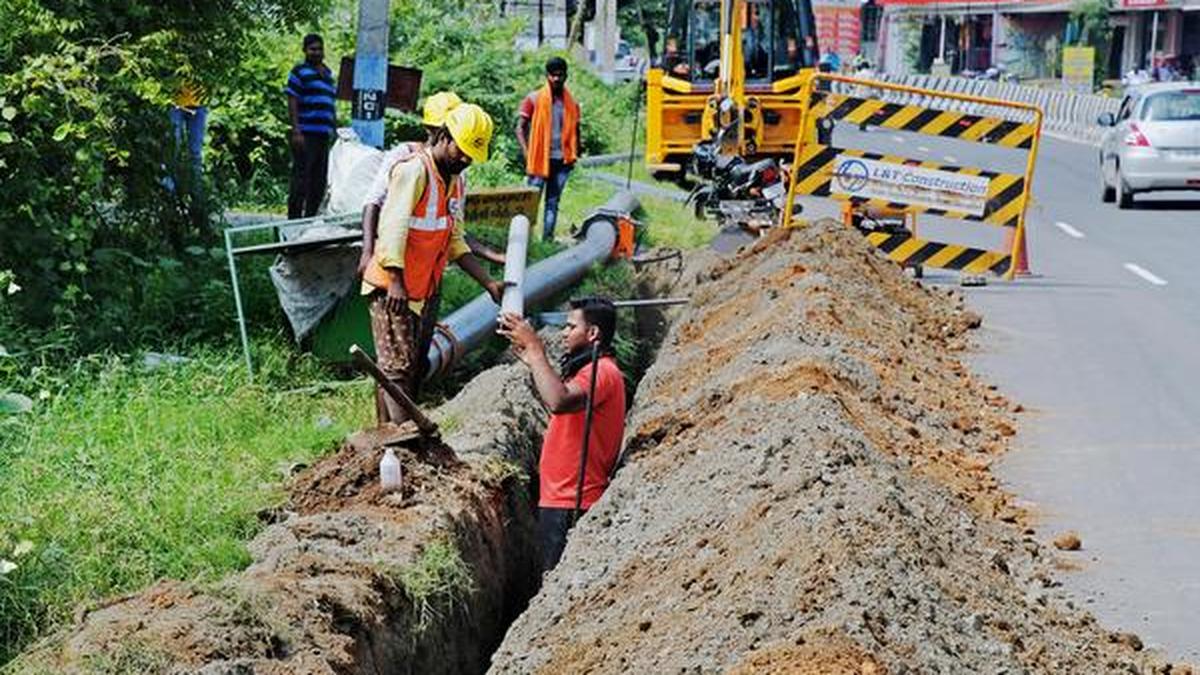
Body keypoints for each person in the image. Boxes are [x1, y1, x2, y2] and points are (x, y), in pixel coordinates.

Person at [361, 103, 505, 424]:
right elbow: (392, 227)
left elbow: (455, 241)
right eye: (461, 151)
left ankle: (388, 434)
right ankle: (405, 437)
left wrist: (488, 283)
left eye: (471, 156)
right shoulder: (414, 171)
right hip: (392, 286)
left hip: (417, 289)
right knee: (398, 366)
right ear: (443, 136)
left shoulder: (453, 181)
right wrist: (395, 281)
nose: (465, 160)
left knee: (401, 365)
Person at [497, 297, 626, 572]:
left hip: (572, 502)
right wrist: (533, 360)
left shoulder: (601, 371)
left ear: (593, 333)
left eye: (571, 327)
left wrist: (536, 350)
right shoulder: (591, 370)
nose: (564, 333)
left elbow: (559, 400)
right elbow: (558, 401)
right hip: (560, 499)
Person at [358, 91, 504, 278]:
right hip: (394, 267)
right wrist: (367, 252)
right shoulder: (408, 161)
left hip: (427, 268)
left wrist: (493, 256)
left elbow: (454, 231)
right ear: (435, 132)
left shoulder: (456, 174)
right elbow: (374, 203)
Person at [517, 57, 581, 242]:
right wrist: (527, 153)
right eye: (553, 75)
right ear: (547, 76)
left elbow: (577, 129)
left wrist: (576, 153)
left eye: (560, 75)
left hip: (561, 161)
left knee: (552, 202)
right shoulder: (534, 99)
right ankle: (524, 241)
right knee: (531, 202)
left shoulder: (572, 103)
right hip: (539, 159)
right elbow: (519, 128)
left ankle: (547, 241)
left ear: (566, 76)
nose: (556, 79)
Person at [284, 33, 336, 219]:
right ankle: (293, 222)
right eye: (312, 49)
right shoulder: (299, 72)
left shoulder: (328, 75)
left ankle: (310, 221)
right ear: (305, 50)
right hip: (306, 134)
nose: (317, 52)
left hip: (323, 135)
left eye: (320, 49)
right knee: (301, 179)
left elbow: (330, 104)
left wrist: (333, 128)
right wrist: (296, 130)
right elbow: (292, 99)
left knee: (318, 181)